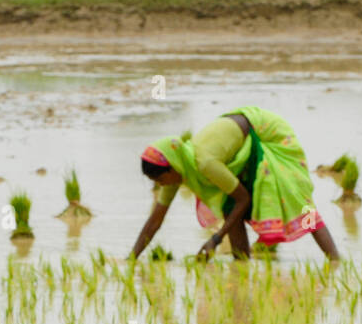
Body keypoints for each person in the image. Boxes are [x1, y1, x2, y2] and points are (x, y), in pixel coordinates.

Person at [129, 106, 341, 261]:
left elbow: (243, 198)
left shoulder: (205, 163)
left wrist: (216, 239)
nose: (159, 185)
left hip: (267, 133)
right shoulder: (179, 168)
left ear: (171, 168)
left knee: (296, 198)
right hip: (241, 144)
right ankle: (242, 266)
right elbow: (156, 220)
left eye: (159, 179)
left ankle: (335, 260)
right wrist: (132, 259)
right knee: (229, 207)